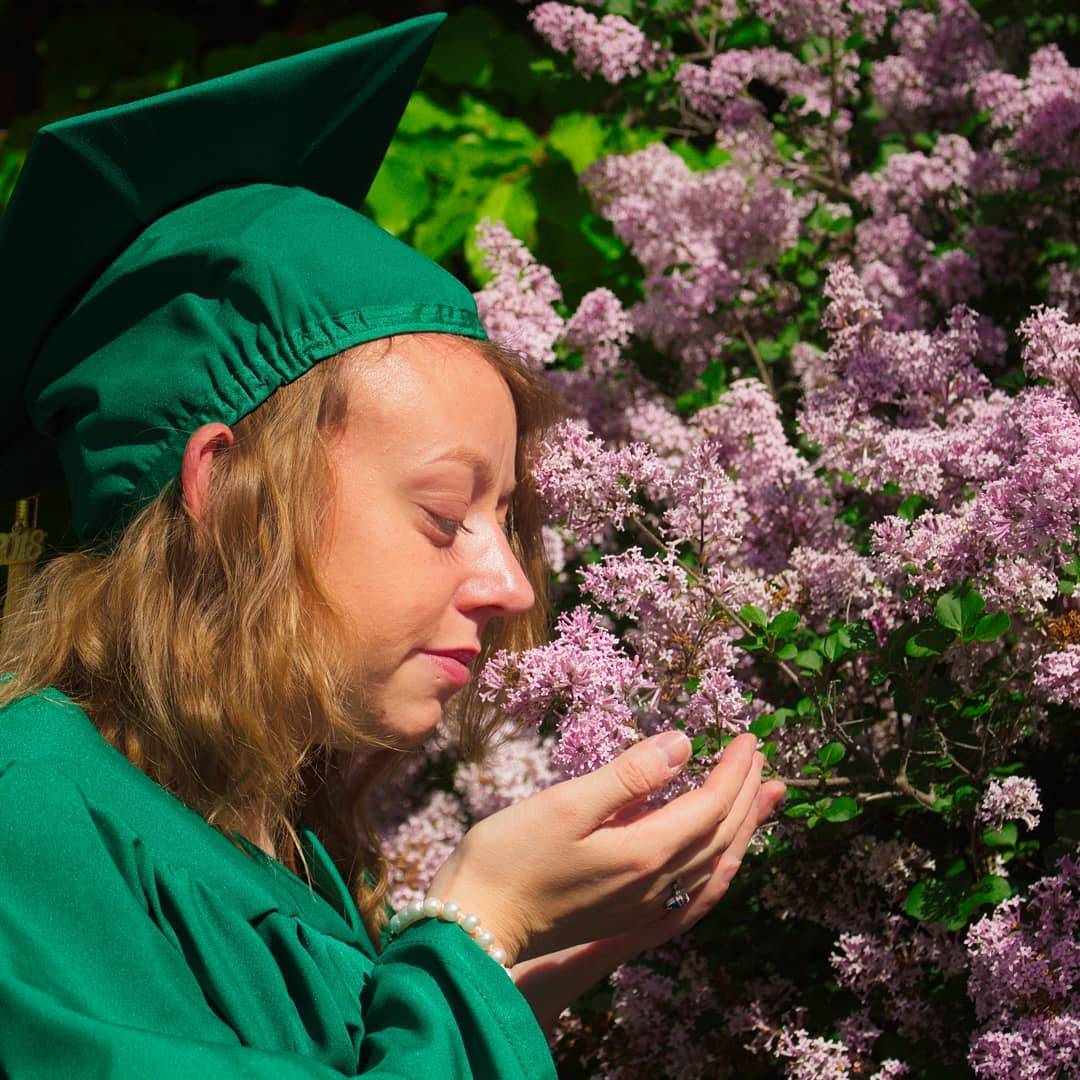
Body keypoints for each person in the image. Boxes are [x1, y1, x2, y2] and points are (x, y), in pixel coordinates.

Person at [0, 12, 786, 1078]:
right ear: (226, 489)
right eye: (440, 515)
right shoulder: (30, 816)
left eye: (506, 519)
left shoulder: (279, 840)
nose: (510, 584)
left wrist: (505, 998)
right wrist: (479, 927)